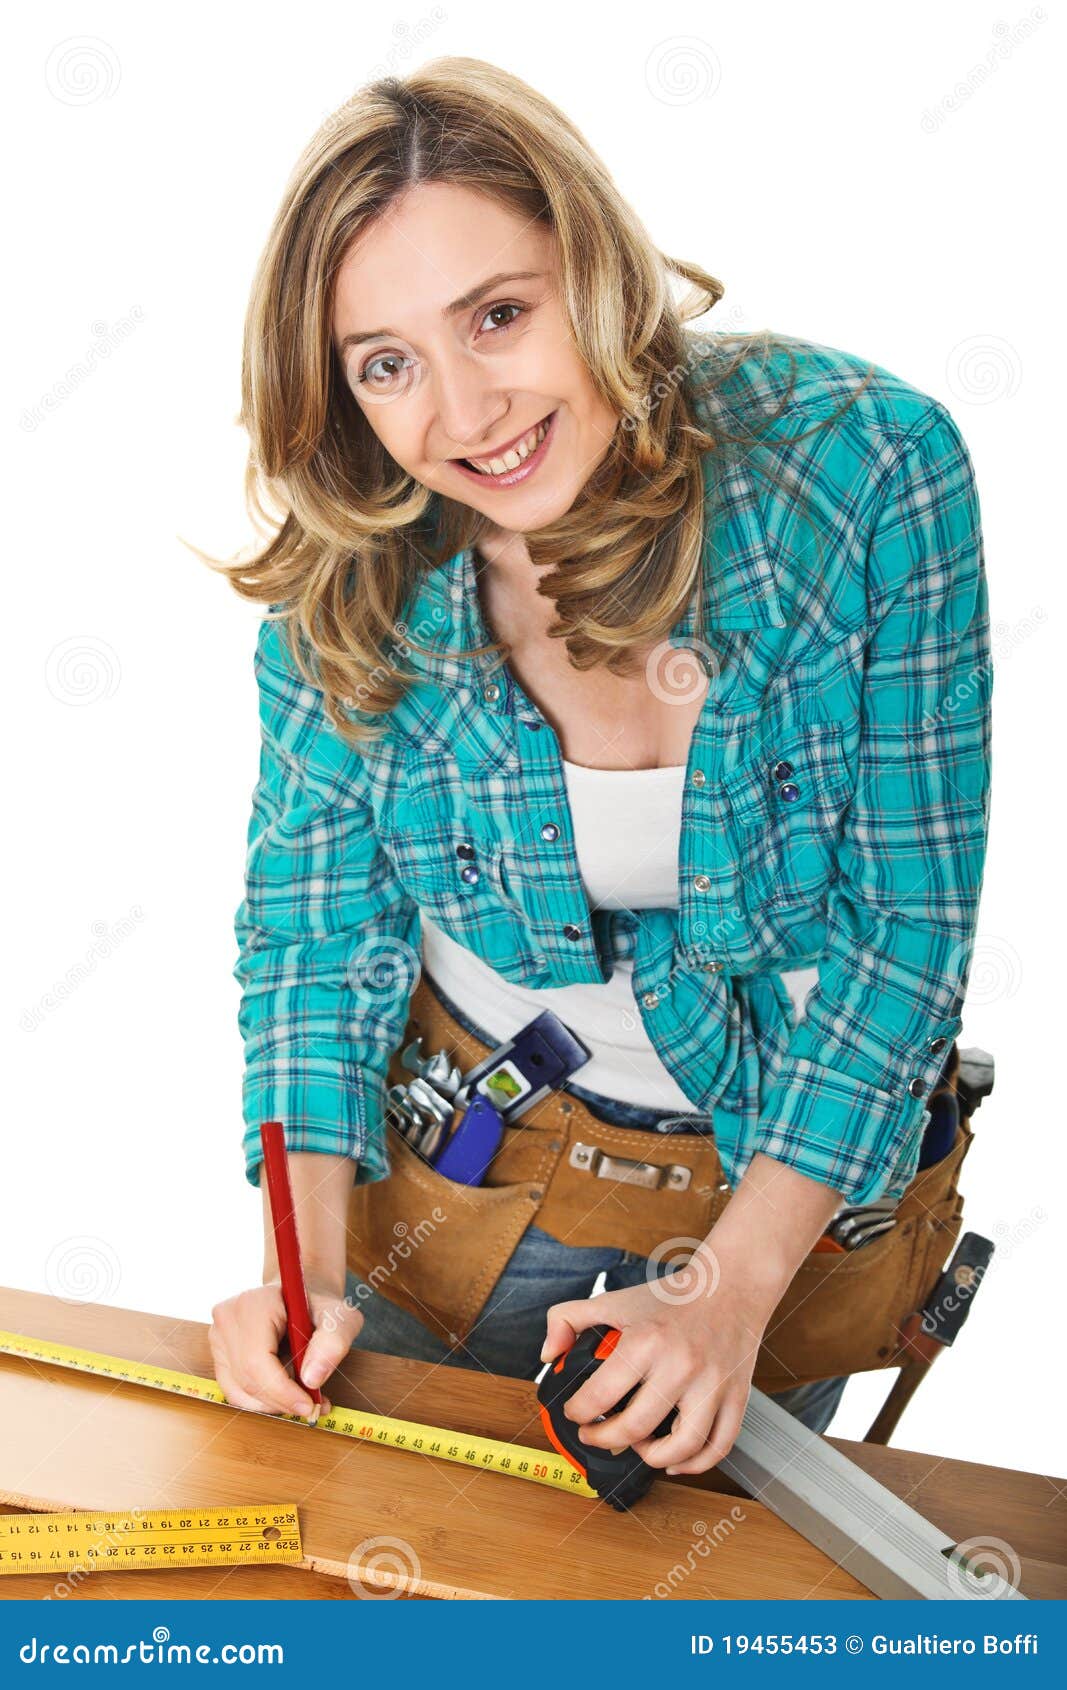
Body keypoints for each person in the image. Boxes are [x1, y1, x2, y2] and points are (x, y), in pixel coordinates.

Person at [205, 58, 991, 1477]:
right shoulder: (349, 578)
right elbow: (315, 940)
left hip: (786, 1186)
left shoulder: (867, 472)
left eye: (497, 315)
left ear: (596, 273)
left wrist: (730, 1288)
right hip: (460, 1182)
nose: (463, 413)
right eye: (386, 363)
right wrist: (303, 1262)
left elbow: (903, 937)